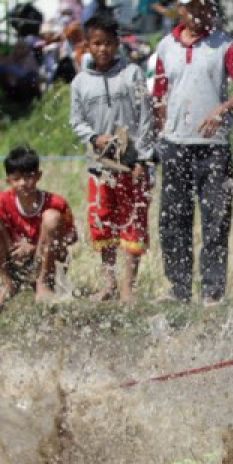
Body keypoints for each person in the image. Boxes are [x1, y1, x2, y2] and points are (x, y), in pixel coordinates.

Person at [152, 0, 233, 303]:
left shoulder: (224, 45)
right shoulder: (165, 47)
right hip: (175, 144)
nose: (198, 14)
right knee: (173, 218)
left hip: (213, 148)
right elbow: (158, 93)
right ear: (181, 11)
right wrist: (161, 129)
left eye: (204, 7)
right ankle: (178, 288)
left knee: (216, 218)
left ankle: (212, 292)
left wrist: (222, 110)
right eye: (192, 8)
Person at [69, 13, 154, 303]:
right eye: (96, 44)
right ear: (87, 46)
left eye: (108, 43)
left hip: (132, 165)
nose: (103, 49)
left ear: (117, 43)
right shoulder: (80, 82)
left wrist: (143, 158)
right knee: (103, 222)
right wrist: (94, 137)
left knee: (133, 221)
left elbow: (146, 117)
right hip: (99, 166)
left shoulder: (132, 74)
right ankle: (109, 283)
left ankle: (128, 287)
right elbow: (76, 121)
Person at [0, 147, 78, 308]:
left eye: (28, 177)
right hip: (13, 259)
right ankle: (8, 283)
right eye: (17, 178)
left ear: (38, 176)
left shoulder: (57, 203)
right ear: (9, 181)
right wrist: (12, 248)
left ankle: (44, 284)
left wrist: (36, 247)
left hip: (45, 261)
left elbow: (72, 236)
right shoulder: (3, 201)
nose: (23, 183)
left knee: (52, 217)